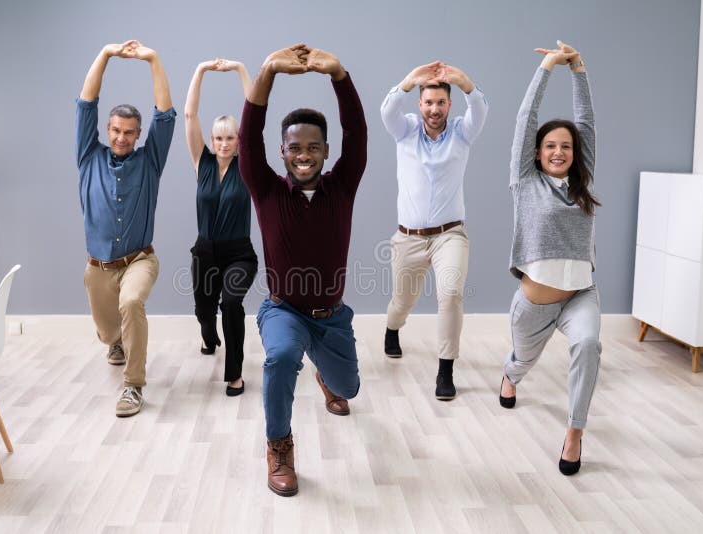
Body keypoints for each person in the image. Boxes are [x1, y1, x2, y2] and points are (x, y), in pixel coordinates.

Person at [238, 43, 367, 496]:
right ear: (283, 151)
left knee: (347, 388)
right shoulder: (267, 190)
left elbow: (357, 132)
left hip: (331, 317)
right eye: (295, 147)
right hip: (283, 311)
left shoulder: (343, 186)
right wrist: (268, 69)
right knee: (280, 356)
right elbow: (247, 136)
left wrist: (339, 74)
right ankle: (279, 447)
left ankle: (326, 374)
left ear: (326, 151)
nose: (304, 154)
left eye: (314, 147)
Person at [500, 40, 601, 476]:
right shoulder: (525, 182)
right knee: (524, 359)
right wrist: (547, 68)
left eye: (566, 146)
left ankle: (574, 433)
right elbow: (526, 120)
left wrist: (579, 68)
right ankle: (511, 375)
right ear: (538, 154)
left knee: (589, 344)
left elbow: (587, 123)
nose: (559, 151)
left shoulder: (583, 182)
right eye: (550, 146)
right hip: (535, 304)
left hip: (581, 294)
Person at [75, 40, 176, 417]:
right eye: (116, 130)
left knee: (132, 302)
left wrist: (153, 58)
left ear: (137, 135)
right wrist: (104, 53)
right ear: (107, 130)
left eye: (129, 132)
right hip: (98, 267)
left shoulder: (150, 162)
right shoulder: (88, 156)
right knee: (106, 331)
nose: (121, 137)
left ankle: (133, 387)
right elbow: (86, 103)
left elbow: (164, 115)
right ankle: (114, 342)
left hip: (140, 260)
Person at [380, 61, 488, 400]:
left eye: (441, 102)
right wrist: (410, 80)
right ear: (420, 104)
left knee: (450, 294)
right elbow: (387, 110)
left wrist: (464, 81)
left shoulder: (462, 133)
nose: (434, 109)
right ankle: (392, 328)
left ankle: (445, 371)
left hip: (449, 235)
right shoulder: (405, 131)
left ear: (449, 105)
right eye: (428, 102)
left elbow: (480, 108)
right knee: (403, 301)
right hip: (409, 238)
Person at [184, 59, 258, 397]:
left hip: (239, 253)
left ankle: (235, 375)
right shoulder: (202, 162)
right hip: (205, 250)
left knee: (231, 304)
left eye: (230, 138)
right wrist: (200, 72)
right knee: (203, 310)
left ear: (239, 140)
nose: (223, 144)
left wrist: (241, 70)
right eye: (218, 138)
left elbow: (256, 116)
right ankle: (208, 335)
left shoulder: (249, 167)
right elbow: (189, 116)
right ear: (211, 140)